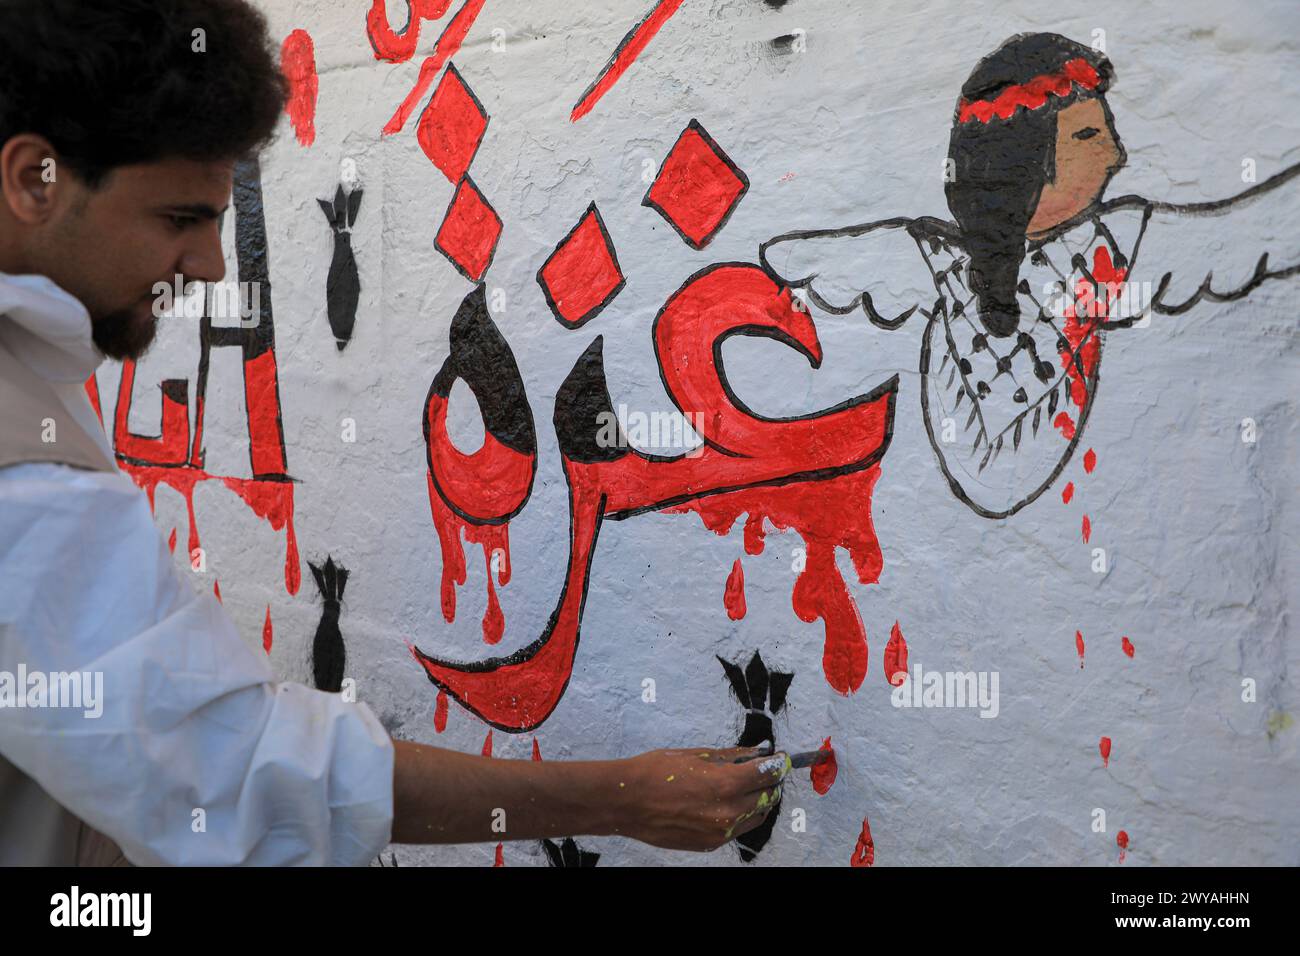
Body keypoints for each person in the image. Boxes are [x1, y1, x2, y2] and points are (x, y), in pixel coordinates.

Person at [0, 0, 788, 866]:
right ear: (34, 180)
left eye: (219, 224)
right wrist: (622, 797)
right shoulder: (25, 475)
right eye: (180, 219)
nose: (212, 266)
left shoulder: (32, 384)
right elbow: (242, 772)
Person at [761, 32, 1299, 518]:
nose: (1116, 154)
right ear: (1021, 162)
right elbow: (789, 257)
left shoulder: (1119, 245)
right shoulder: (939, 262)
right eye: (1089, 135)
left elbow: (1250, 233)